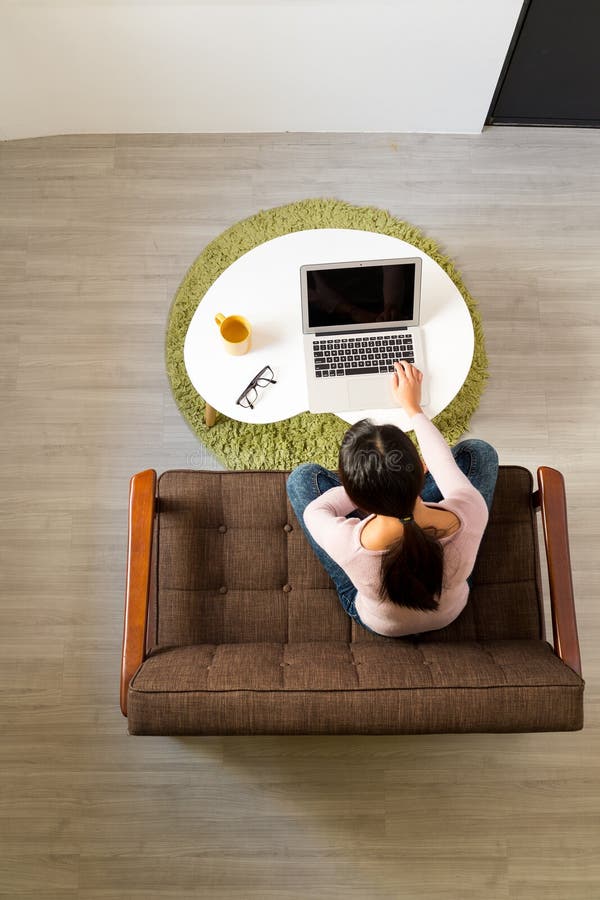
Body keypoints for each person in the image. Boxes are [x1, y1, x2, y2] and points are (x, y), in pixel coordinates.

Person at [286, 361, 499, 637]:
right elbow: (443, 463)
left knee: (301, 478)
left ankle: (383, 492)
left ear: (358, 500)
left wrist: (369, 487)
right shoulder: (470, 511)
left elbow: (317, 509)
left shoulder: (347, 543)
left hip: (381, 622)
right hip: (449, 610)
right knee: (479, 452)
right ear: (423, 468)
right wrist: (413, 408)